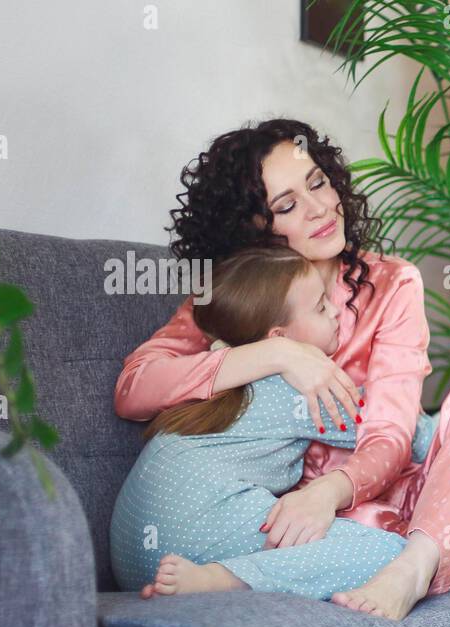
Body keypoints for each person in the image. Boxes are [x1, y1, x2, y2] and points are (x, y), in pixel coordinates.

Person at [115, 119, 450, 620]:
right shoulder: (236, 298)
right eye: (287, 205)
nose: (317, 208)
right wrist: (279, 355)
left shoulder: (392, 283)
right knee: (357, 544)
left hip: (414, 495)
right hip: (312, 524)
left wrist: (327, 491)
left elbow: (393, 435)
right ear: (253, 227)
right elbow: (134, 389)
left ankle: (418, 566)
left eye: (317, 182)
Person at [110, 245, 412, 604]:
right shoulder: (298, 386)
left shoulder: (217, 374)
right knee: (394, 556)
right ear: (278, 337)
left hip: (129, 556)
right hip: (193, 531)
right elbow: (393, 425)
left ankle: (216, 576)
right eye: (320, 307)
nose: (336, 312)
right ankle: (223, 579)